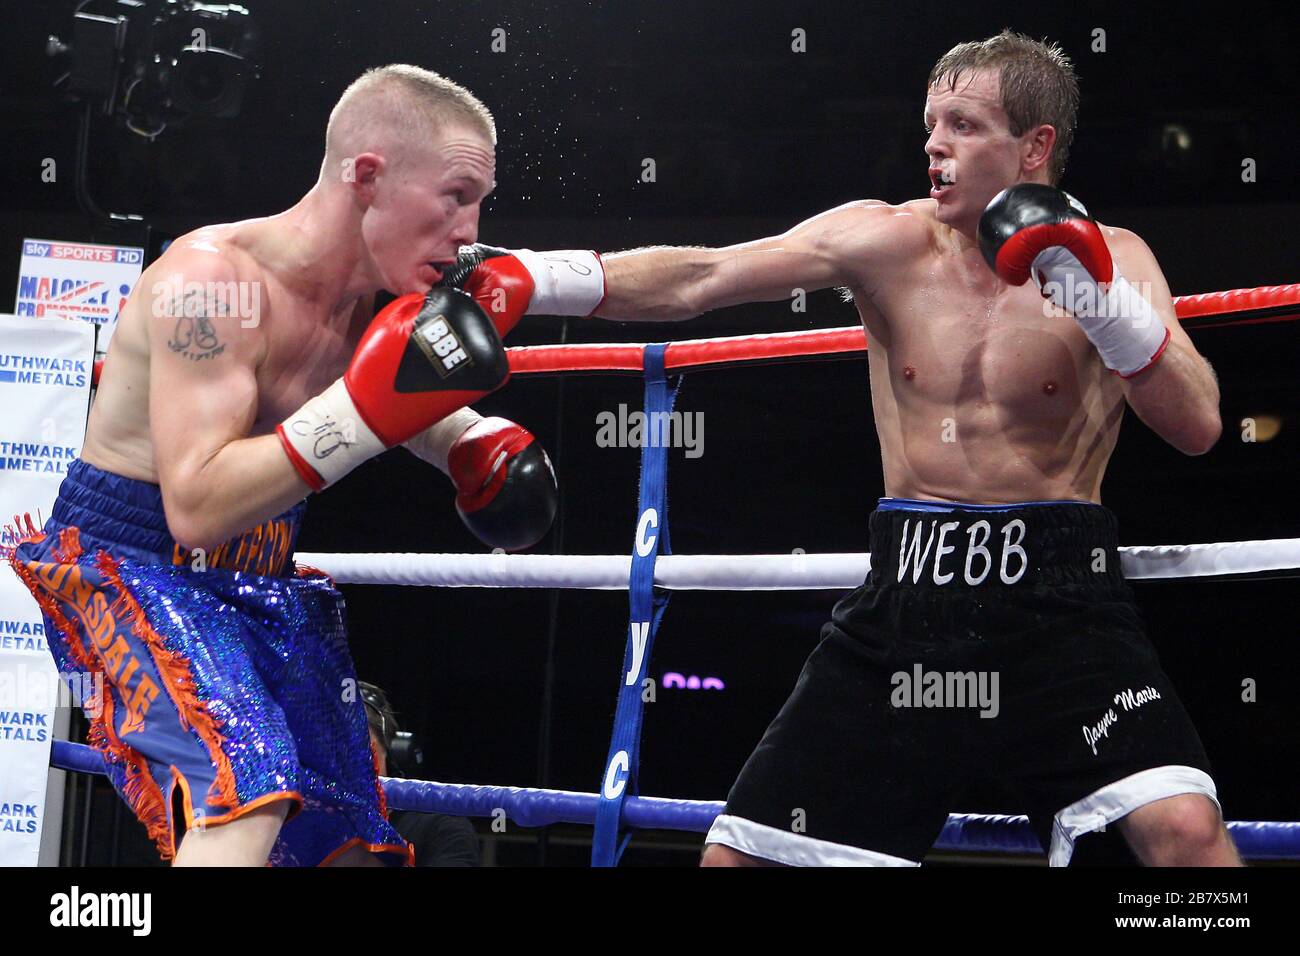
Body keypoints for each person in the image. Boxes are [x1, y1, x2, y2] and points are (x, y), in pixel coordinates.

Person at [437, 31, 1238, 867]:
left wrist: (1094, 295)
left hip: (1064, 604)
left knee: (1184, 836)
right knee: (736, 862)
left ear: (1034, 145)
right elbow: (705, 276)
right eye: (933, 123)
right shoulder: (884, 241)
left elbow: (1198, 424)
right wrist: (536, 276)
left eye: (964, 124)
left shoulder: (1118, 257)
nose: (933, 144)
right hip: (908, 601)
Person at [9, 65, 556, 867]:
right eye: (457, 195)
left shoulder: (385, 291)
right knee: (247, 789)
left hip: (257, 574)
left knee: (346, 836)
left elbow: (391, 396)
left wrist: (468, 441)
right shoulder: (211, 283)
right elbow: (195, 505)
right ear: (368, 175)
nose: (473, 230)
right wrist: (364, 417)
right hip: (129, 565)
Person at [357, 680, 479, 867]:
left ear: (391, 757)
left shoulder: (440, 828)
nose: (345, 772)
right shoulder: (301, 825)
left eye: (359, 756)